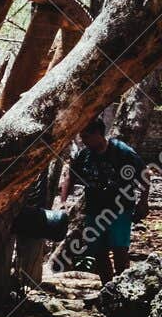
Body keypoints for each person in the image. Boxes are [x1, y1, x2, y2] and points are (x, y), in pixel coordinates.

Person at [58, 117, 149, 284]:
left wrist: (143, 201)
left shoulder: (122, 151)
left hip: (120, 208)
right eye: (81, 137)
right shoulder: (84, 155)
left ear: (98, 134)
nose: (83, 141)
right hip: (94, 209)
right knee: (99, 251)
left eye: (86, 136)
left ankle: (122, 288)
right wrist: (63, 201)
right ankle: (107, 288)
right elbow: (70, 176)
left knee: (119, 249)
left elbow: (145, 174)